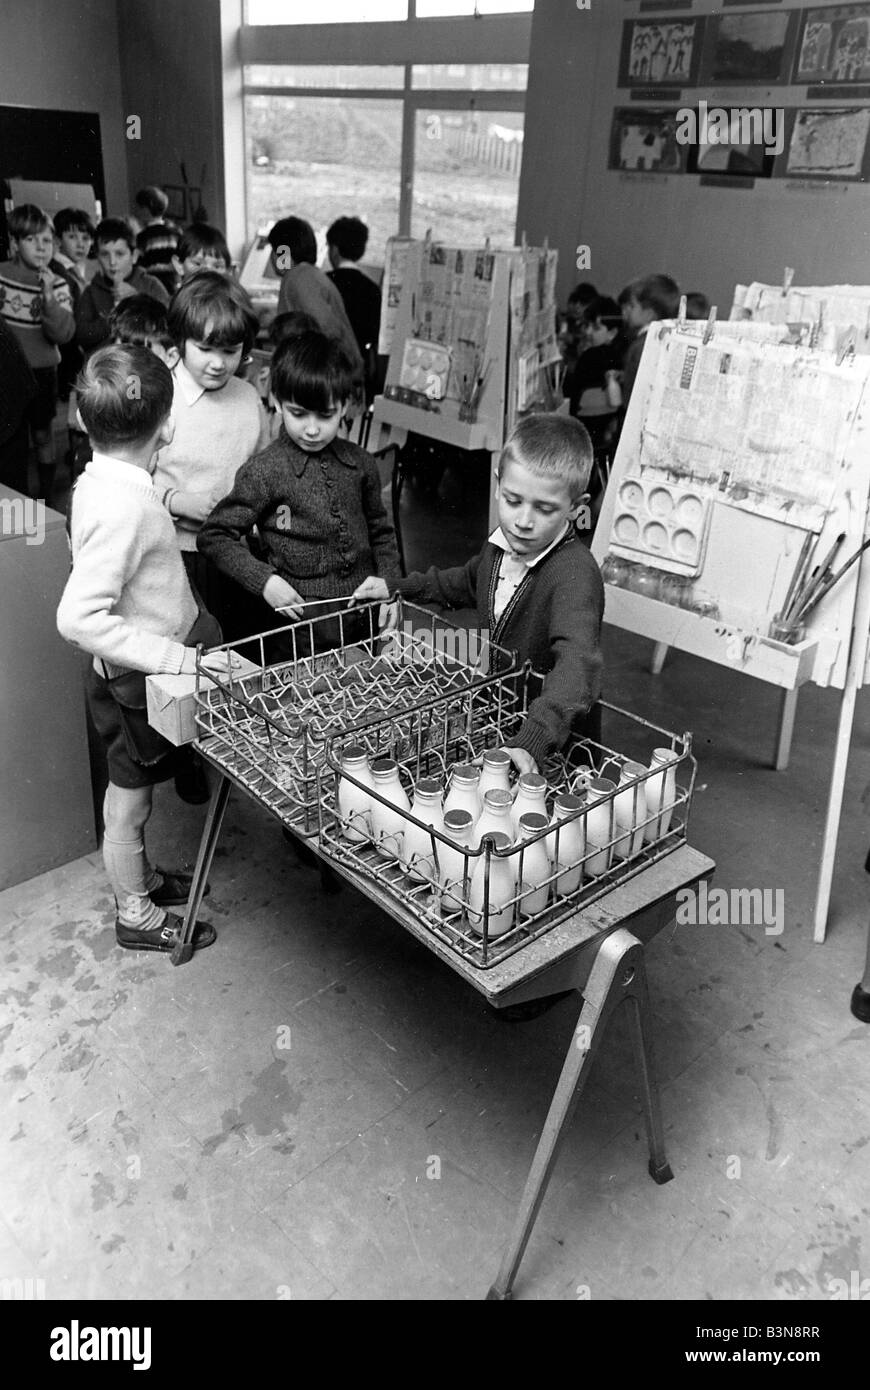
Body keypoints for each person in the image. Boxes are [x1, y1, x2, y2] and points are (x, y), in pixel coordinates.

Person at [56, 344, 227, 956]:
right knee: (129, 805)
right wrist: (172, 656)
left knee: (140, 796)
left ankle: (145, 881)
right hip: (134, 683)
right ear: (168, 426)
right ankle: (135, 913)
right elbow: (78, 618)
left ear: (83, 421)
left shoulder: (103, 480)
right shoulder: (123, 505)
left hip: (141, 677)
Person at [351, 413, 604, 773]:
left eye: (545, 509)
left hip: (553, 746)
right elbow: (466, 582)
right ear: (498, 484)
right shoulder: (500, 546)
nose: (524, 521)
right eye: (514, 501)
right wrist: (397, 587)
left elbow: (578, 663)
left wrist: (534, 740)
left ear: (577, 507)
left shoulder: (574, 574)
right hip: (501, 719)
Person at [197, 328, 400, 658]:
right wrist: (264, 581)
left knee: (363, 696)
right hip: (300, 624)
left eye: (326, 415)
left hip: (364, 616)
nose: (312, 428)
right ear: (276, 401)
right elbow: (215, 535)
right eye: (298, 413)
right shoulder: (264, 471)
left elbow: (381, 533)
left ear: (345, 406)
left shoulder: (361, 463)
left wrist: (390, 585)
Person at [151, 270, 269, 632]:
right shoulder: (157, 397)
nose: (218, 363)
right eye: (205, 349)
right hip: (174, 554)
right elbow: (124, 482)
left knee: (241, 644)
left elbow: (265, 473)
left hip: (237, 552)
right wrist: (174, 500)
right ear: (180, 342)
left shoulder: (249, 398)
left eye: (230, 351)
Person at [0, 204, 76, 501]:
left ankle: (44, 499)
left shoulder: (57, 283)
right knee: (11, 439)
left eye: (46, 240)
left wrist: (49, 301)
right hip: (6, 376)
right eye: (31, 240)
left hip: (43, 373)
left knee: (43, 435)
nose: (41, 247)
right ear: (15, 242)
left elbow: (63, 334)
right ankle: (17, 502)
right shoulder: (2, 275)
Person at [266, 216, 364, 388]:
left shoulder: (299, 277)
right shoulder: (307, 274)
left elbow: (326, 329)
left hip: (333, 380)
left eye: (275, 250)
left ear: (282, 252)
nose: (272, 257)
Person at [75, 218, 169, 357]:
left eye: (119, 254)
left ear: (134, 256)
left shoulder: (151, 285)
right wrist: (113, 315)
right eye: (105, 254)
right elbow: (82, 336)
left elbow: (170, 328)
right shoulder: (91, 291)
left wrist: (138, 301)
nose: (112, 262)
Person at [326, 216, 382, 401]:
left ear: (334, 249)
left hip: (327, 369)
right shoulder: (373, 288)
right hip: (359, 375)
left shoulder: (324, 283)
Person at [51, 207, 95, 400]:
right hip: (67, 351)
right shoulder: (59, 272)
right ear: (58, 240)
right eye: (72, 236)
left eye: (85, 238)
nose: (80, 244)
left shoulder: (74, 270)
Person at [619, 273, 680, 410]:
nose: (626, 312)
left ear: (649, 313)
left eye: (632, 306)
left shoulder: (642, 345)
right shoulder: (667, 339)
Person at [563, 295, 627, 418]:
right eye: (587, 326)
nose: (588, 332)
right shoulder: (621, 355)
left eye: (595, 328)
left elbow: (572, 394)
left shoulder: (590, 357)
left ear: (612, 333)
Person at [133, 185, 181, 297]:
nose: (136, 211)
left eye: (138, 207)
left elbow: (138, 266)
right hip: (173, 285)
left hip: (151, 288)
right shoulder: (176, 233)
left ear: (146, 209)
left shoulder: (143, 237)